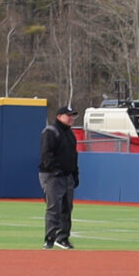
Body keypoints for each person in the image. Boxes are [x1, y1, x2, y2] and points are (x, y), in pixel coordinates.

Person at [38, 105, 79, 250]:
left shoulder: (70, 134)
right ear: (59, 116)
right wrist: (54, 170)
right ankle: (49, 239)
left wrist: (75, 173)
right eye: (69, 115)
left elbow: (73, 156)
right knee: (54, 208)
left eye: (72, 115)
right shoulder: (51, 132)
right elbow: (46, 154)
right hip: (52, 176)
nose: (71, 118)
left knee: (67, 208)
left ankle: (63, 238)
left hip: (67, 176)